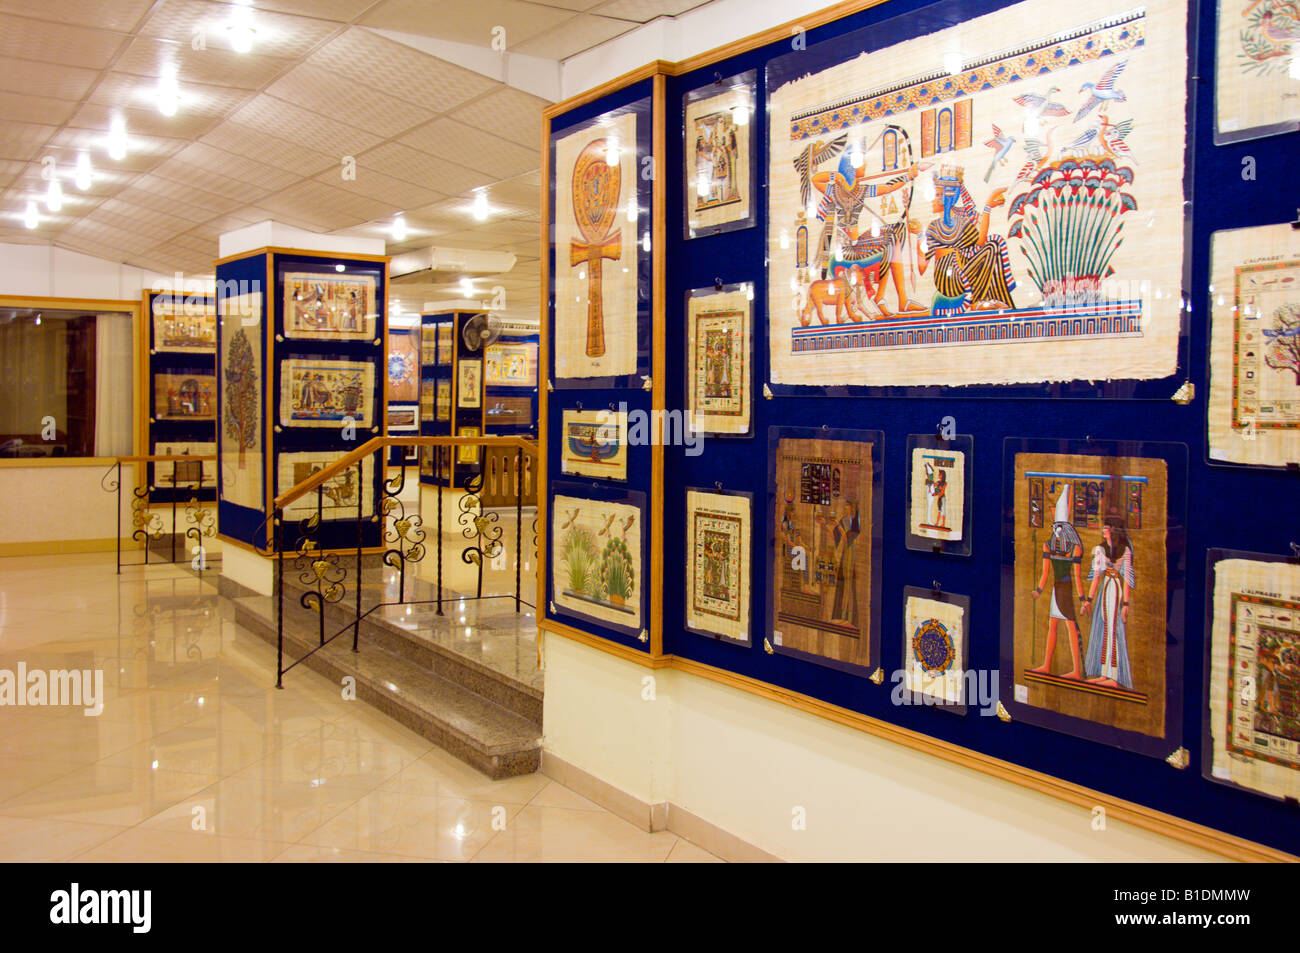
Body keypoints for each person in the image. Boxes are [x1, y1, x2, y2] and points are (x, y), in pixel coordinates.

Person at [918, 164, 1017, 314]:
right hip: (947, 281)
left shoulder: (960, 223)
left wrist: (988, 207)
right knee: (991, 248)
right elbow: (921, 268)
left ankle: (995, 300)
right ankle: (978, 302)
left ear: (947, 197)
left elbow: (980, 243)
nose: (933, 200)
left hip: (961, 273)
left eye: (938, 195)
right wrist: (920, 235)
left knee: (993, 244)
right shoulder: (934, 227)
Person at [1030, 484, 1086, 679]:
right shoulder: (1048, 545)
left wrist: (1082, 597)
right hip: (1057, 588)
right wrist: (1038, 590)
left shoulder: (1074, 549)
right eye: (1056, 528)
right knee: (1053, 623)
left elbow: (1077, 575)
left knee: (1070, 625)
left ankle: (1077, 671)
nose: (1058, 531)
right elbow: (1045, 573)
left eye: (1061, 528)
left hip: (1066, 588)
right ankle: (1047, 665)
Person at [1082, 519, 1136, 689]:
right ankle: (1105, 673)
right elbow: (1096, 577)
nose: (1103, 530)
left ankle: (1114, 675)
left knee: (1114, 630)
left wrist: (1125, 603)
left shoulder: (1125, 550)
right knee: (1105, 629)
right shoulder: (1101, 549)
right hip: (1105, 590)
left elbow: (1126, 579)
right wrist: (1089, 600)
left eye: (1106, 527)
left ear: (1113, 530)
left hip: (1115, 589)